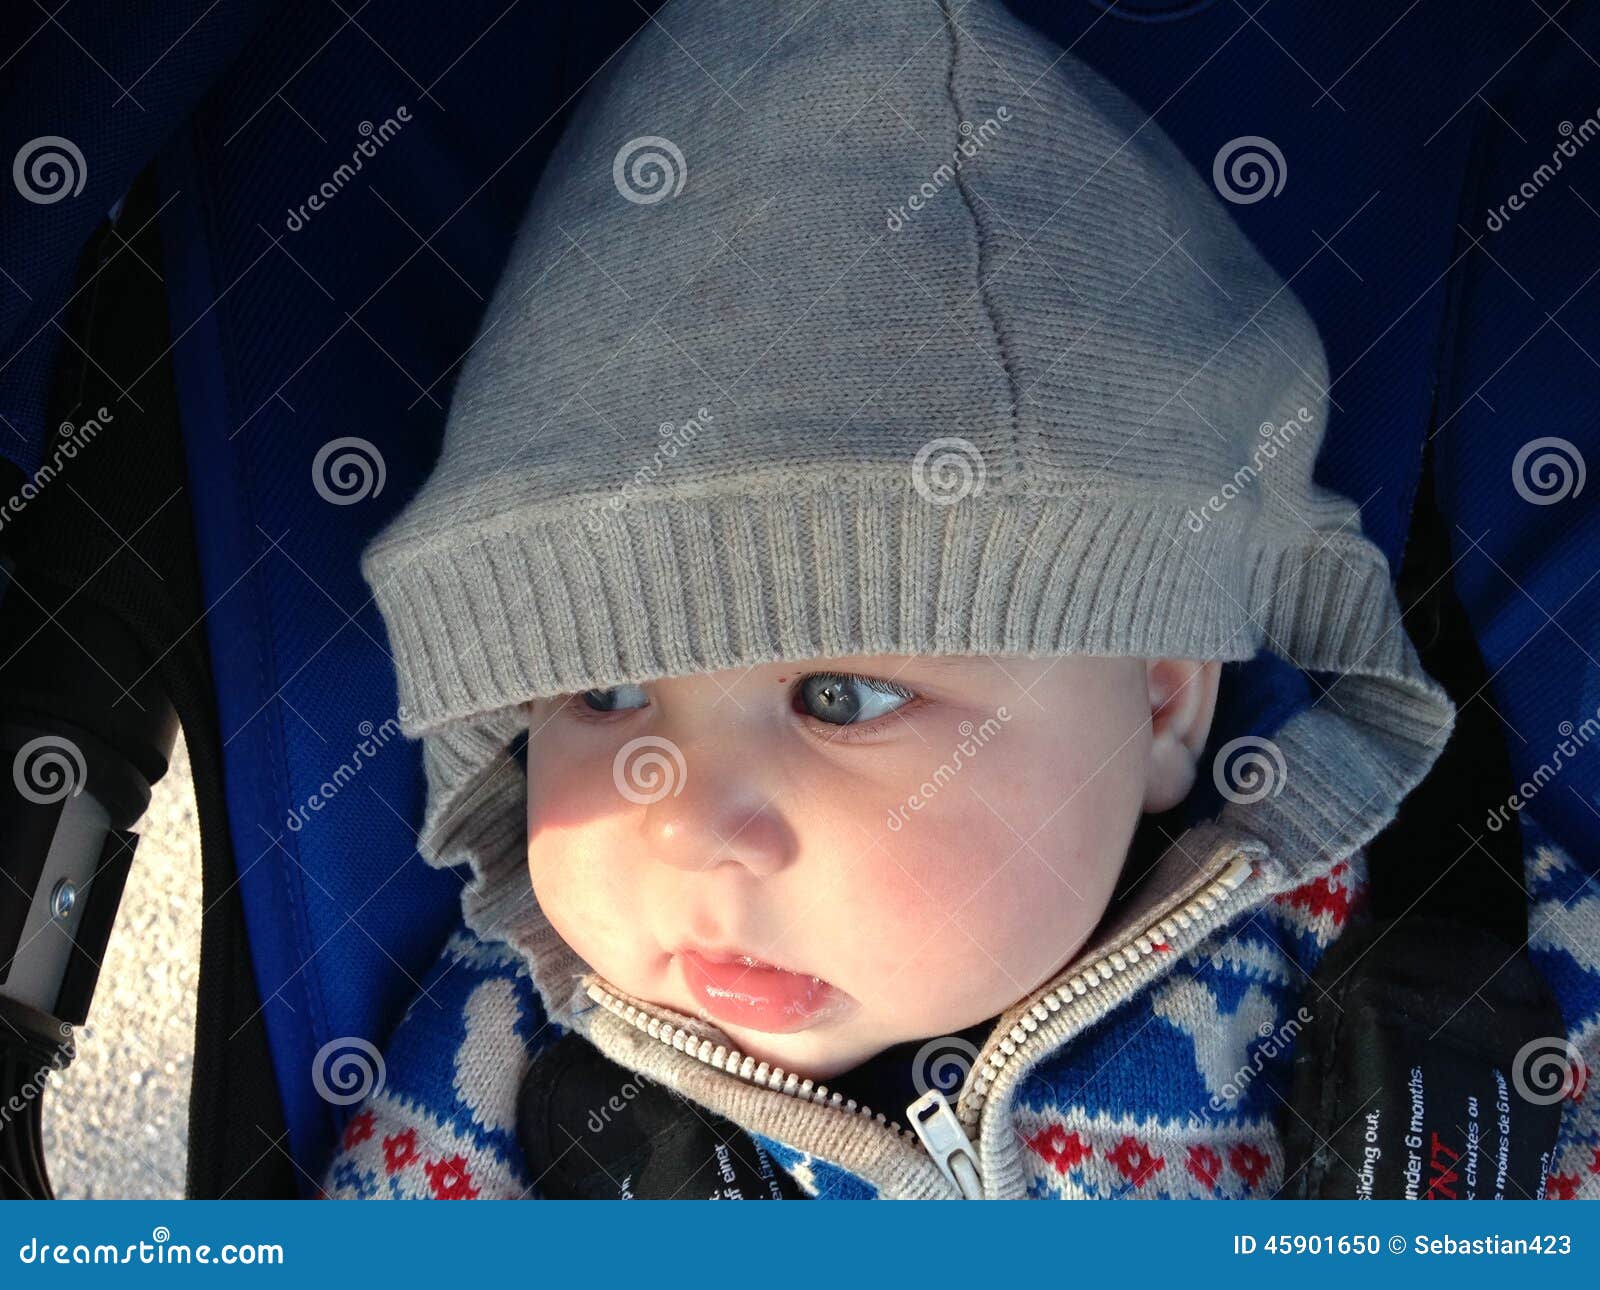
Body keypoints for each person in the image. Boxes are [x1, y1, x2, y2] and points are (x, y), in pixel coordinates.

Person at [316, 0, 1577, 1199]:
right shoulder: (508, 1065)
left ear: (1158, 696)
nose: (680, 823)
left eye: (840, 696)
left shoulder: (1395, 973)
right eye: (602, 690)